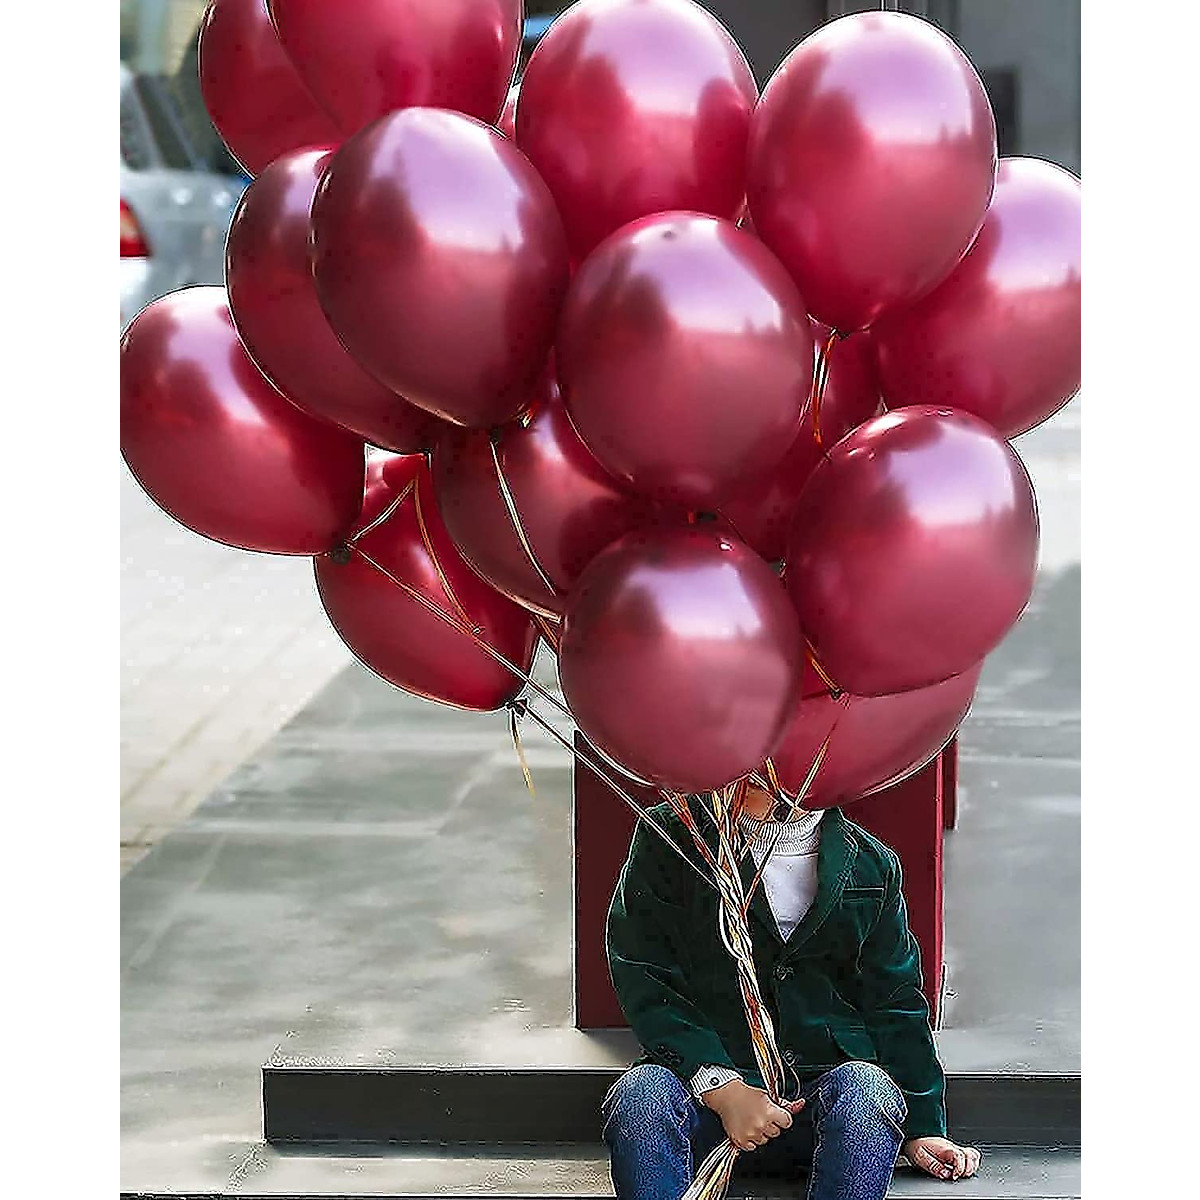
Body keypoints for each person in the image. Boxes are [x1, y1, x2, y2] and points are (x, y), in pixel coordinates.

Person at [603, 781, 981, 1200]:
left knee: (868, 1091)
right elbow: (644, 972)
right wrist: (721, 1087)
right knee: (640, 1098)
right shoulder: (670, 836)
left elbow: (894, 1002)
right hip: (704, 1097)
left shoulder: (871, 864)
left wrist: (924, 1126)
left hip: (820, 1103)